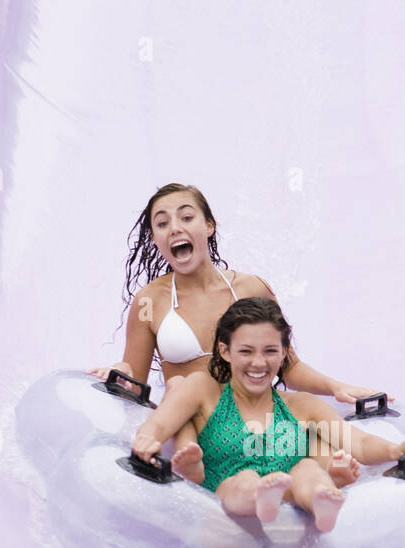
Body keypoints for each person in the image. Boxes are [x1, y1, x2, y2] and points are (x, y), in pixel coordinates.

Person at [88, 183, 389, 480]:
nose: (175, 228)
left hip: (253, 412)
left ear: (209, 226)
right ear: (155, 239)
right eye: (163, 223)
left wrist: (336, 387)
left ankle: (329, 484)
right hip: (198, 420)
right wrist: (120, 367)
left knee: (321, 447)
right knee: (180, 384)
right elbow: (135, 381)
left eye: (186, 217)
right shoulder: (149, 302)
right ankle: (194, 466)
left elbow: (288, 365)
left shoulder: (251, 289)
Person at [131, 298, 405, 534]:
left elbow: (358, 443)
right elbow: (161, 422)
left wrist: (395, 449)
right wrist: (146, 440)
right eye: (246, 351)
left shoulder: (302, 406)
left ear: (284, 353)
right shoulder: (203, 390)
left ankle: (323, 502)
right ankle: (260, 496)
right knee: (244, 479)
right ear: (225, 351)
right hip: (227, 493)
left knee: (308, 471)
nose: (258, 363)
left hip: (289, 495)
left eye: (270, 351)